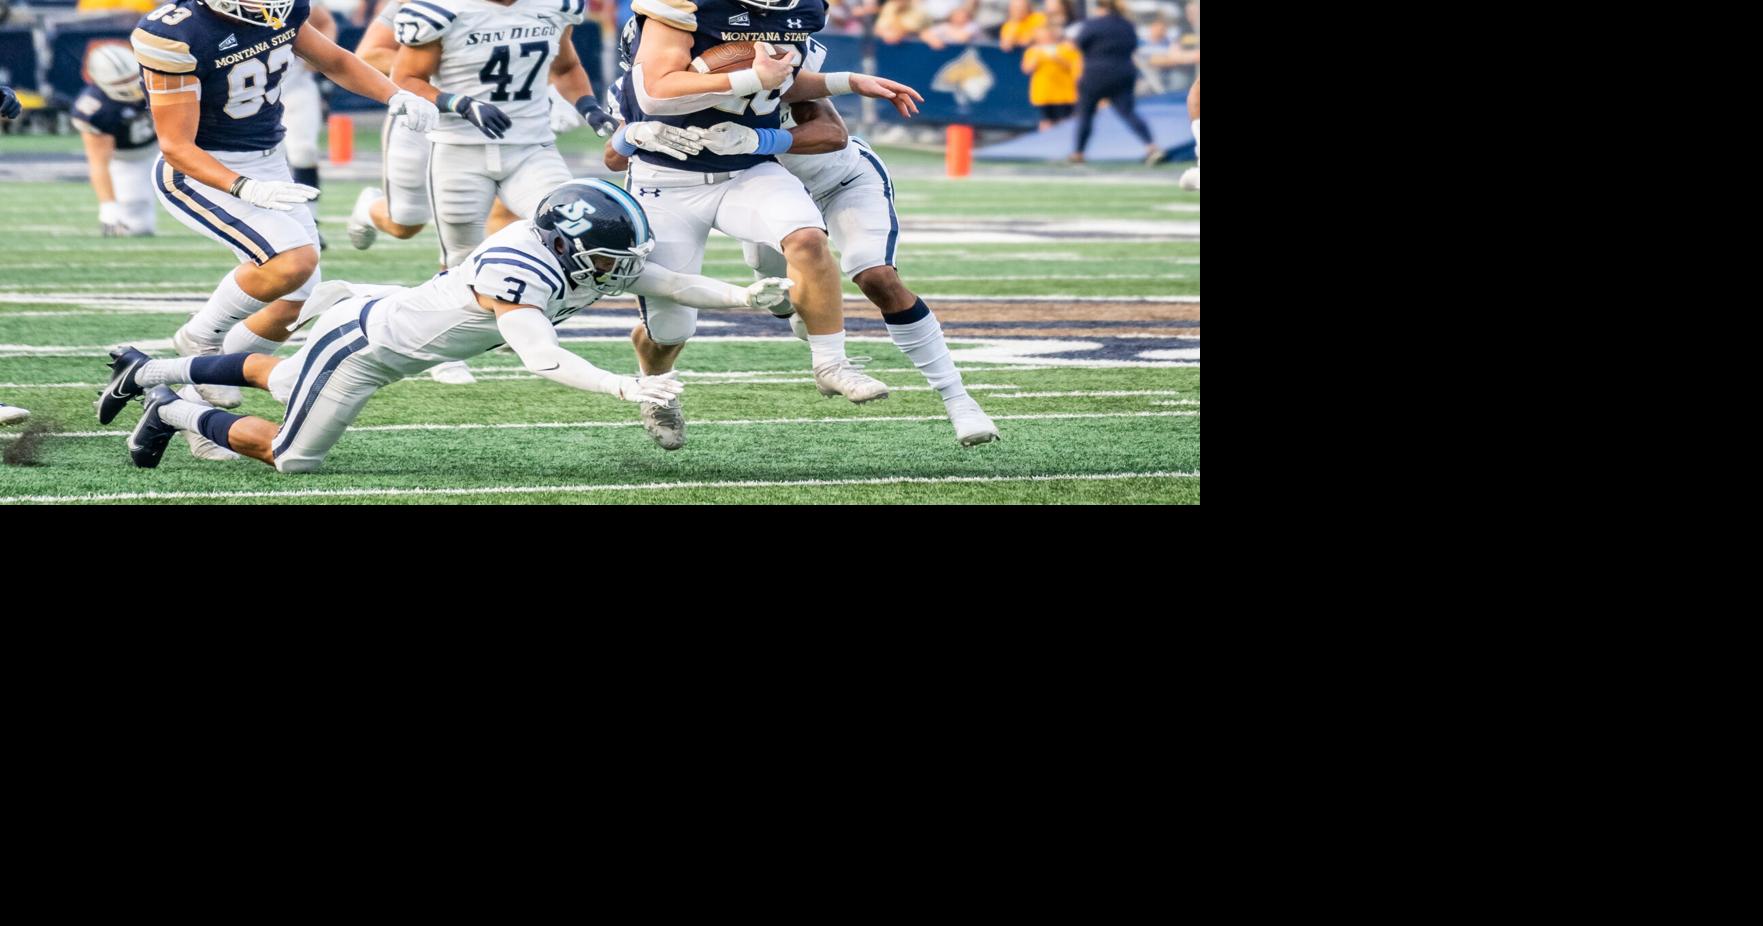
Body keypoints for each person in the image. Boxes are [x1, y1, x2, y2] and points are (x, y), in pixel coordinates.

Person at [98, 180, 794, 471]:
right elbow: (541, 360)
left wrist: (744, 295)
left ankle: (149, 371)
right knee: (291, 453)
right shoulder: (517, 273)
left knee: (281, 377)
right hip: (366, 347)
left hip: (385, 325)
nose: (620, 268)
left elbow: (666, 280)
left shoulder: (567, 254)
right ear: (566, 242)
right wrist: (622, 389)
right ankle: (172, 408)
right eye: (610, 255)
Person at [615, 0, 922, 450]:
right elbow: (655, 94)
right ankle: (657, 388)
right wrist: (629, 134)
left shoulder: (799, 12)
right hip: (668, 180)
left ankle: (831, 364)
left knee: (806, 237)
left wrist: (848, 81)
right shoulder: (681, 7)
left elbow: (784, 85)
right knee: (670, 329)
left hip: (746, 168)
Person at [73, 44, 161, 237]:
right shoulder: (95, 108)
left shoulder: (156, 74)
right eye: (121, 82)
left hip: (172, 143)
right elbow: (99, 163)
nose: (131, 88)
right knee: (138, 228)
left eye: (132, 79)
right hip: (130, 158)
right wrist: (108, 206)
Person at [1070, 0, 1158, 165]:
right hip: (1123, 72)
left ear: (1100, 7)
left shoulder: (1093, 24)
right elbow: (1133, 46)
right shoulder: (1126, 25)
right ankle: (1151, 146)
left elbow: (1079, 44)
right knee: (1128, 112)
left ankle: (1078, 153)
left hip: (1095, 74)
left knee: (1086, 114)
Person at [1021, 22, 1078, 130]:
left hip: (1064, 94)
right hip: (1043, 94)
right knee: (1046, 121)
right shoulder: (1033, 51)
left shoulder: (1066, 49)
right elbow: (1027, 69)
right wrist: (1036, 58)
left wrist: (1057, 58)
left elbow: (1074, 66)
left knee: (1065, 121)